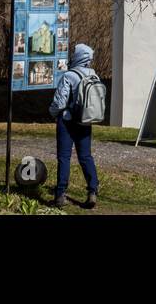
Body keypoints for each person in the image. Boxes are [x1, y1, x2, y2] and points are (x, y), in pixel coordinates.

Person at [49, 43, 100, 208]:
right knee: (85, 156)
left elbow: (59, 102)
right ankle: (92, 191)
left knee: (64, 157)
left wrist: (52, 112)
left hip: (67, 121)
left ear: (77, 56)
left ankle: (60, 194)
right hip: (86, 121)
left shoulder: (69, 76)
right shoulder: (94, 75)